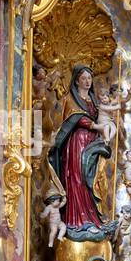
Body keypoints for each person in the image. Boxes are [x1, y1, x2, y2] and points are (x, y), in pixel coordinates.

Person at [46, 65, 114, 240]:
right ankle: (77, 221)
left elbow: (101, 116)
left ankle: (92, 219)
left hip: (92, 142)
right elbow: (75, 119)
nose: (87, 81)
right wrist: (95, 125)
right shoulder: (70, 99)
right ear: (76, 80)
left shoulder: (92, 100)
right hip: (76, 143)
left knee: (90, 180)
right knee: (78, 178)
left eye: (89, 78)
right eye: (84, 78)